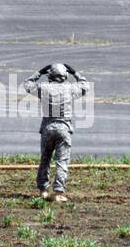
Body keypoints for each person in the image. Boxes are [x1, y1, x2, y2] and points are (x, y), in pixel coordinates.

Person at [21, 63, 90, 202]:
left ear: (50, 76)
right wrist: (75, 72)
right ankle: (58, 193)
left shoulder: (43, 88)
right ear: (65, 76)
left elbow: (27, 85)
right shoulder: (71, 89)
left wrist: (39, 72)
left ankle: (43, 190)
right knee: (62, 161)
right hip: (64, 128)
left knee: (45, 159)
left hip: (47, 128)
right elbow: (85, 86)